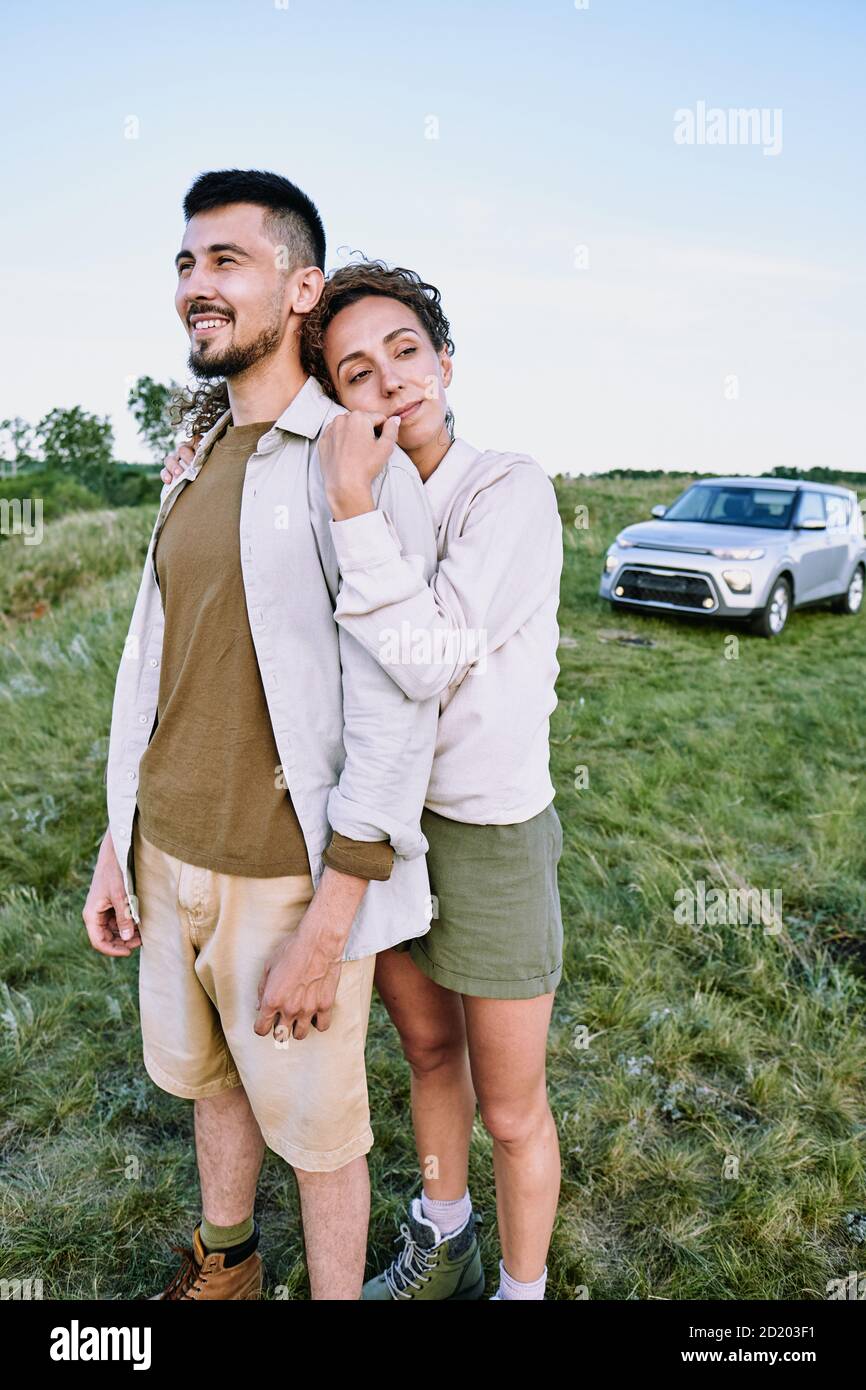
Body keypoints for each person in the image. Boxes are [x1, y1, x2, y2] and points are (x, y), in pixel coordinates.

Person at [164, 259, 565, 1301]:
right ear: (331, 396)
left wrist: (349, 508)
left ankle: (522, 1292)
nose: (387, 381)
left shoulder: (503, 489)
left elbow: (429, 659)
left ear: (442, 359)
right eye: (353, 369)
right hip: (383, 828)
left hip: (485, 831)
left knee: (510, 1104)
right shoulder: (356, 487)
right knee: (430, 1057)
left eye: (403, 351)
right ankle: (444, 1239)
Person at [82, 176, 440, 1301]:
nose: (196, 286)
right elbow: (161, 661)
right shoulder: (192, 454)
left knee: (323, 1136)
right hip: (168, 849)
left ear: (299, 287)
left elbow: (397, 707)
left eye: (225, 261)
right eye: (185, 264)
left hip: (287, 877)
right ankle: (226, 1268)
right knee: (212, 1083)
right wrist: (115, 837)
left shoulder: (353, 459)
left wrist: (330, 920)